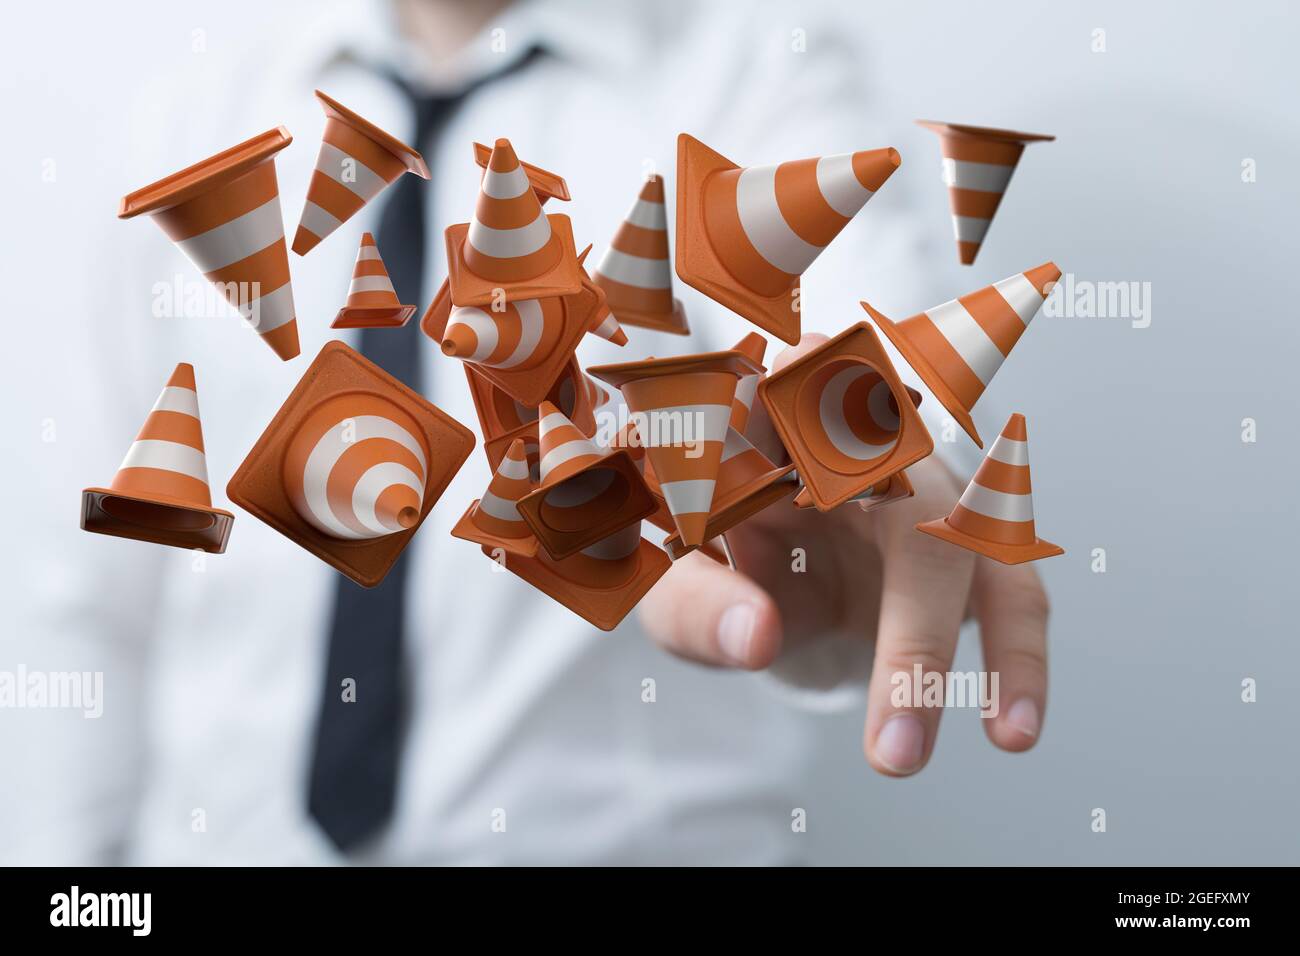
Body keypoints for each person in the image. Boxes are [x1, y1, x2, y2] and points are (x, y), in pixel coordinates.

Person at [3, 0, 1047, 865]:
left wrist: (889, 470)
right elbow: (88, 582)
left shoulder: (754, 83)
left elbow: (869, 344)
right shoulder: (188, 121)